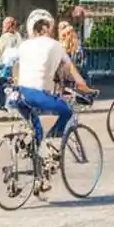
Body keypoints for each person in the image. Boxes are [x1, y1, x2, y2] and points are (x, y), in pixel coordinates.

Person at [9, 10, 96, 153]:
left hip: (20, 95)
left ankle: (36, 160)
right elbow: (72, 72)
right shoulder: (56, 45)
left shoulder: (24, 46)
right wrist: (87, 89)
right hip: (38, 95)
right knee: (67, 111)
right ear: (46, 28)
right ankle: (53, 142)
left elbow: (15, 67)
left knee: (36, 127)